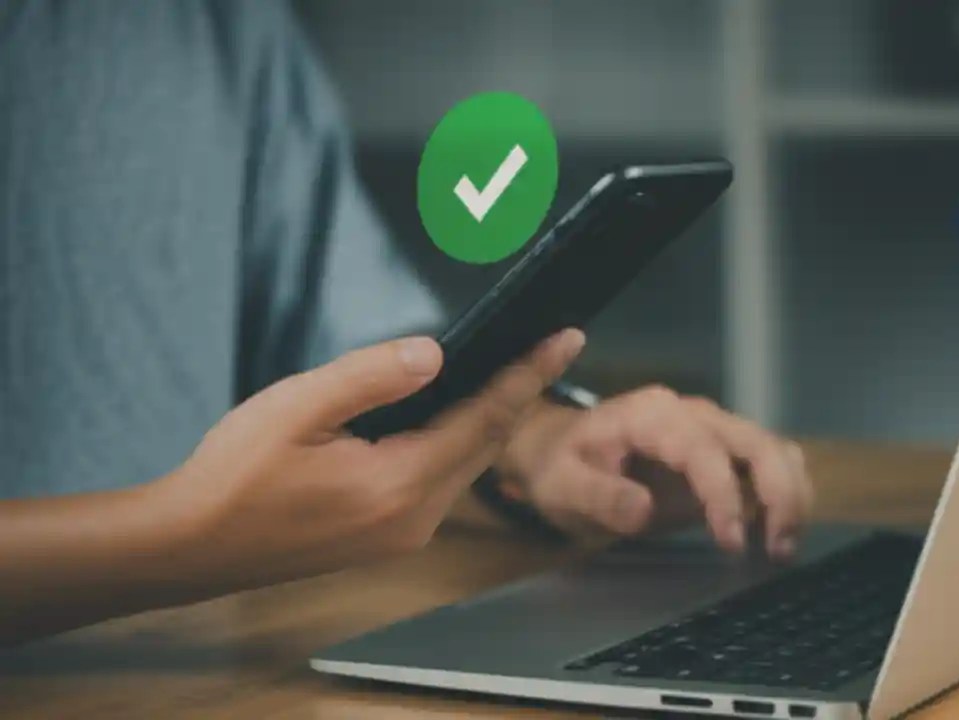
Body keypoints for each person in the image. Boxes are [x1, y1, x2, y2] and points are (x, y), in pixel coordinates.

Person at [0, 1, 812, 645]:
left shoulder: (215, 23)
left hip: (203, 676)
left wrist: (537, 450)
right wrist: (178, 540)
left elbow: (351, 362)